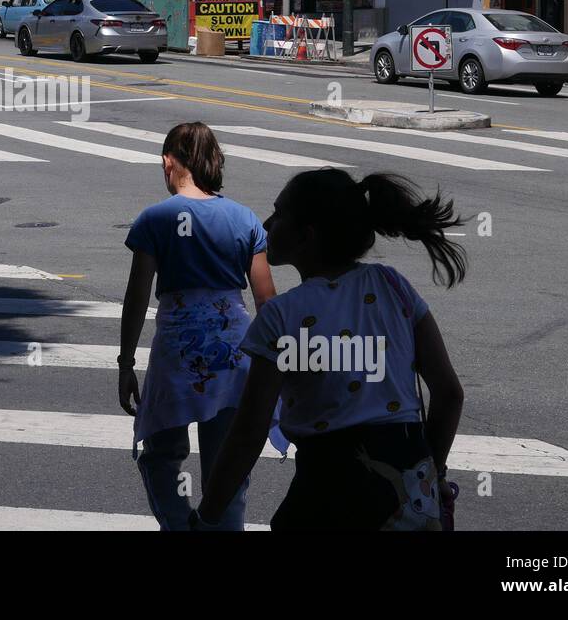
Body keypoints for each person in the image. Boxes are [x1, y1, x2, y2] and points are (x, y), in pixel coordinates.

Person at [194, 168, 466, 531]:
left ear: (306, 236)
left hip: (328, 491)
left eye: (278, 215)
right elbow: (449, 393)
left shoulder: (281, 316)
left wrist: (207, 515)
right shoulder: (393, 287)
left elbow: (248, 433)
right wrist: (432, 475)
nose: (266, 224)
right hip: (407, 498)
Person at [118, 122, 277, 531]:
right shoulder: (244, 219)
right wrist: (278, 367)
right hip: (233, 350)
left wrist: (125, 362)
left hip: (178, 351)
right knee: (228, 466)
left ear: (169, 163)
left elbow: (137, 296)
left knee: (161, 455)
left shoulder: (155, 219)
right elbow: (266, 302)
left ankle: (180, 524)